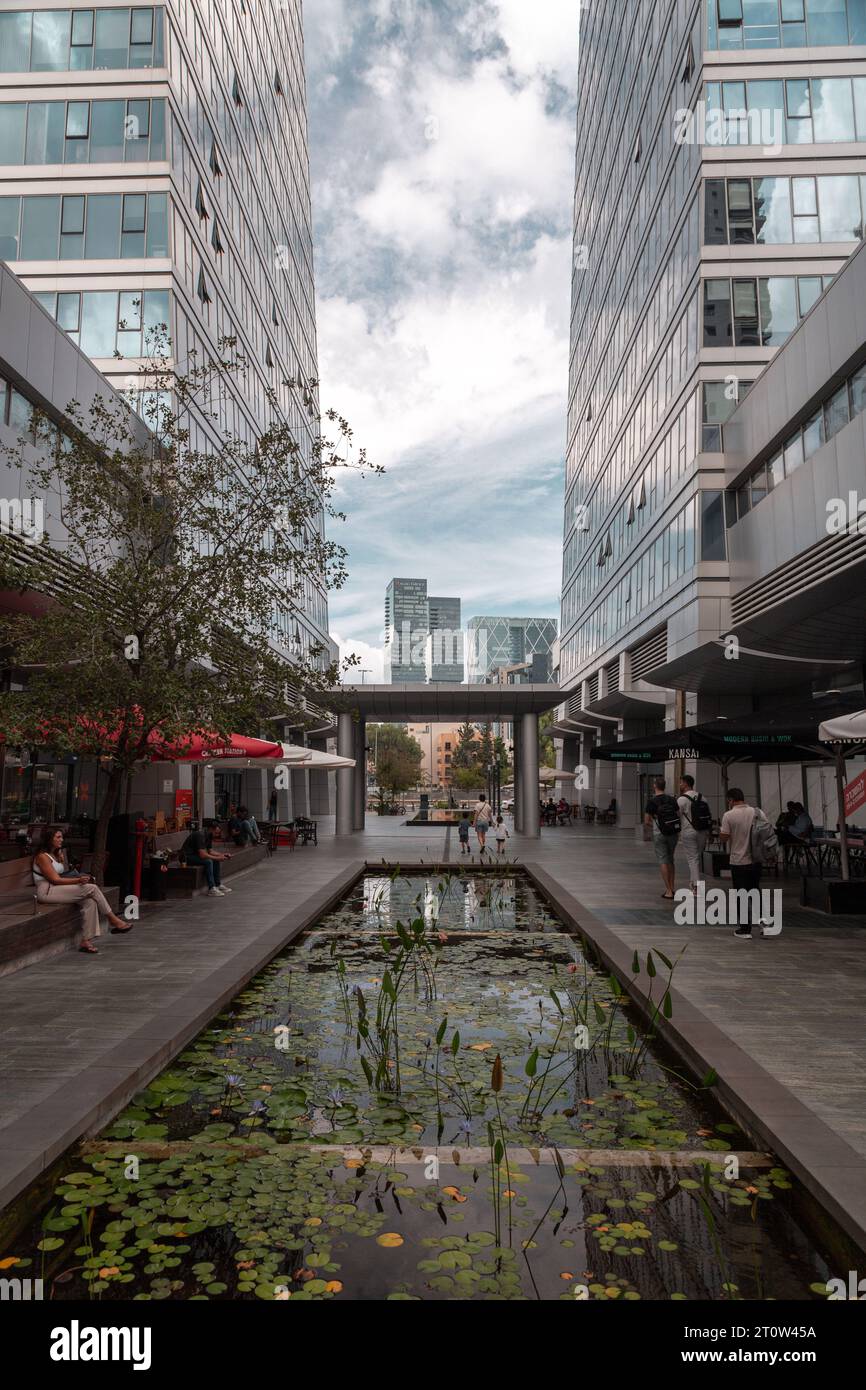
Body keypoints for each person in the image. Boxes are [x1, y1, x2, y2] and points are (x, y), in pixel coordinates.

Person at [32, 826, 132, 954]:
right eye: (58, 837)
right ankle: (113, 919)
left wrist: (62, 860)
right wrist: (78, 881)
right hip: (47, 891)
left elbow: (62, 875)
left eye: (61, 837)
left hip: (58, 889)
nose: (61, 839)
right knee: (92, 888)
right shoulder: (42, 857)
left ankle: (86, 940)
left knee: (90, 901)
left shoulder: (56, 854)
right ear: (48, 839)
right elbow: (55, 879)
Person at [719, 788, 772, 939]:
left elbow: (724, 837)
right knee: (755, 892)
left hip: (738, 861)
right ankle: (764, 924)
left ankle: (745, 929)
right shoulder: (757, 812)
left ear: (731, 800)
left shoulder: (728, 815)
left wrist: (721, 832)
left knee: (741, 894)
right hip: (756, 860)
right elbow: (767, 831)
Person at [645, 776, 681, 900]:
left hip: (659, 833)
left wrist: (657, 825)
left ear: (655, 786)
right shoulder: (672, 800)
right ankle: (672, 887)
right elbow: (678, 816)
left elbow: (647, 821)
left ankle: (668, 891)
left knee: (663, 860)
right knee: (671, 859)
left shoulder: (652, 802)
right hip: (673, 834)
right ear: (664, 786)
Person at [182, 819, 233, 897]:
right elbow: (203, 855)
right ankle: (211, 888)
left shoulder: (209, 835)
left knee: (215, 859)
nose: (217, 835)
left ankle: (217, 884)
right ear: (211, 829)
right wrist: (217, 858)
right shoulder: (200, 835)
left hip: (195, 855)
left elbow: (210, 851)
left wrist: (222, 855)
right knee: (208, 861)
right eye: (216, 832)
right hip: (186, 857)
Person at [677, 774, 708, 894]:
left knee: (692, 859)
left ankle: (696, 886)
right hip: (702, 831)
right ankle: (693, 882)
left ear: (685, 783)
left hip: (689, 831)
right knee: (696, 858)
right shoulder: (702, 797)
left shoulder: (682, 799)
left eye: (680, 782)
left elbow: (677, 815)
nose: (680, 785)